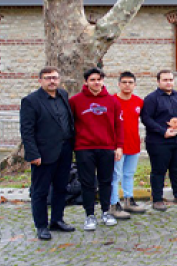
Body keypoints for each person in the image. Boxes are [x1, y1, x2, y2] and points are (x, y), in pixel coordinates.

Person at [20, 67, 76, 240]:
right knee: (40, 191)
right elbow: (27, 131)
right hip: (43, 154)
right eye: (48, 78)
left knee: (61, 188)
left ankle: (57, 220)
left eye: (55, 78)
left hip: (65, 150)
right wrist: (33, 154)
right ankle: (41, 226)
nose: (52, 81)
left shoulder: (63, 96)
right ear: (40, 81)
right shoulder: (31, 101)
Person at [68, 68, 124, 231]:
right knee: (87, 183)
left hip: (106, 148)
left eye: (99, 79)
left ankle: (106, 212)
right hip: (84, 148)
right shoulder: (75, 101)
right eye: (93, 79)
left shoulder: (112, 101)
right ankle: (89, 215)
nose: (96, 82)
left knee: (106, 181)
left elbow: (119, 125)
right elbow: (70, 125)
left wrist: (119, 146)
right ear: (86, 82)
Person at [142, 70, 177, 211]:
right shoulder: (151, 99)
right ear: (158, 81)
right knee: (159, 171)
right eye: (165, 80)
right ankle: (157, 199)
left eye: (170, 79)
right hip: (158, 141)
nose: (168, 82)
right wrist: (163, 131)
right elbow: (146, 119)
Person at [111, 71, 146, 217]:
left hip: (134, 143)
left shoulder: (139, 101)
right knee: (115, 175)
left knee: (129, 174)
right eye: (124, 82)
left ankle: (128, 200)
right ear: (119, 84)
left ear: (134, 85)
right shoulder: (112, 100)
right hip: (117, 146)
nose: (127, 85)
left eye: (130, 82)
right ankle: (114, 204)